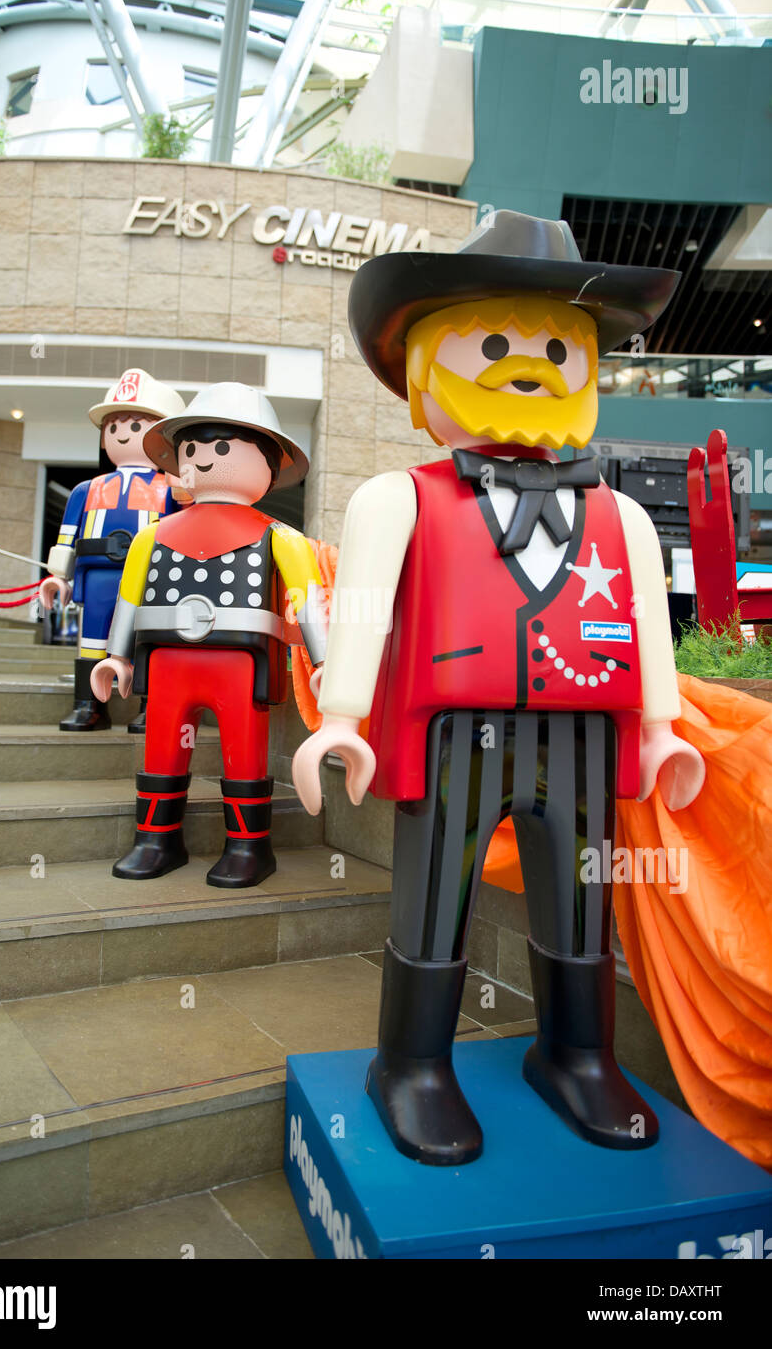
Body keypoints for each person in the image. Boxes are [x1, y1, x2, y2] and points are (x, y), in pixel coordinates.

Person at [292, 209, 706, 1165]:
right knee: (434, 893)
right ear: (423, 372)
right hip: (450, 735)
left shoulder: (624, 517)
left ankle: (576, 1053)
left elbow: (649, 626)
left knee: (580, 895)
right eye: (491, 342)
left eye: (559, 346)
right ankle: (411, 1064)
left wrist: (659, 728)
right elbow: (360, 608)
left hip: (583, 741)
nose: (529, 364)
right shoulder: (395, 497)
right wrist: (343, 714)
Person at [91, 382, 328, 889]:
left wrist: (324, 659)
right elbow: (129, 601)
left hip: (242, 667)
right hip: (170, 665)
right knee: (162, 746)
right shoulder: (151, 536)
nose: (204, 458)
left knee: (244, 749)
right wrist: (115, 657)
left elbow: (308, 600)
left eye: (223, 447)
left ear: (269, 462)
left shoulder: (279, 536)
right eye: (193, 448)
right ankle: (156, 838)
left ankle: (248, 847)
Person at [39, 369, 185, 732]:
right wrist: (57, 577)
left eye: (136, 427)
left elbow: (184, 534)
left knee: (149, 637)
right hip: (99, 575)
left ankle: (153, 706)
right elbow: (67, 536)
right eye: (114, 427)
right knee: (92, 639)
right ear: (104, 438)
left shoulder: (170, 489)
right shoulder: (86, 490)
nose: (122, 434)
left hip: (153, 577)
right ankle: (89, 704)